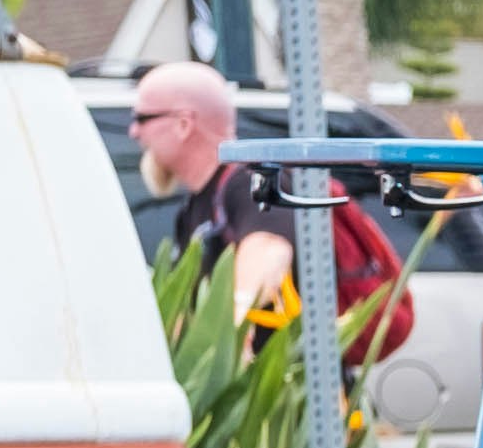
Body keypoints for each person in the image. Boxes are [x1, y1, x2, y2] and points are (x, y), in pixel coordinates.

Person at [126, 57, 413, 371]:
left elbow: (268, 248)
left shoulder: (250, 183)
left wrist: (236, 316)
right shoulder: (195, 207)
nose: (133, 132)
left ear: (184, 124)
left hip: (284, 400)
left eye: (142, 118)